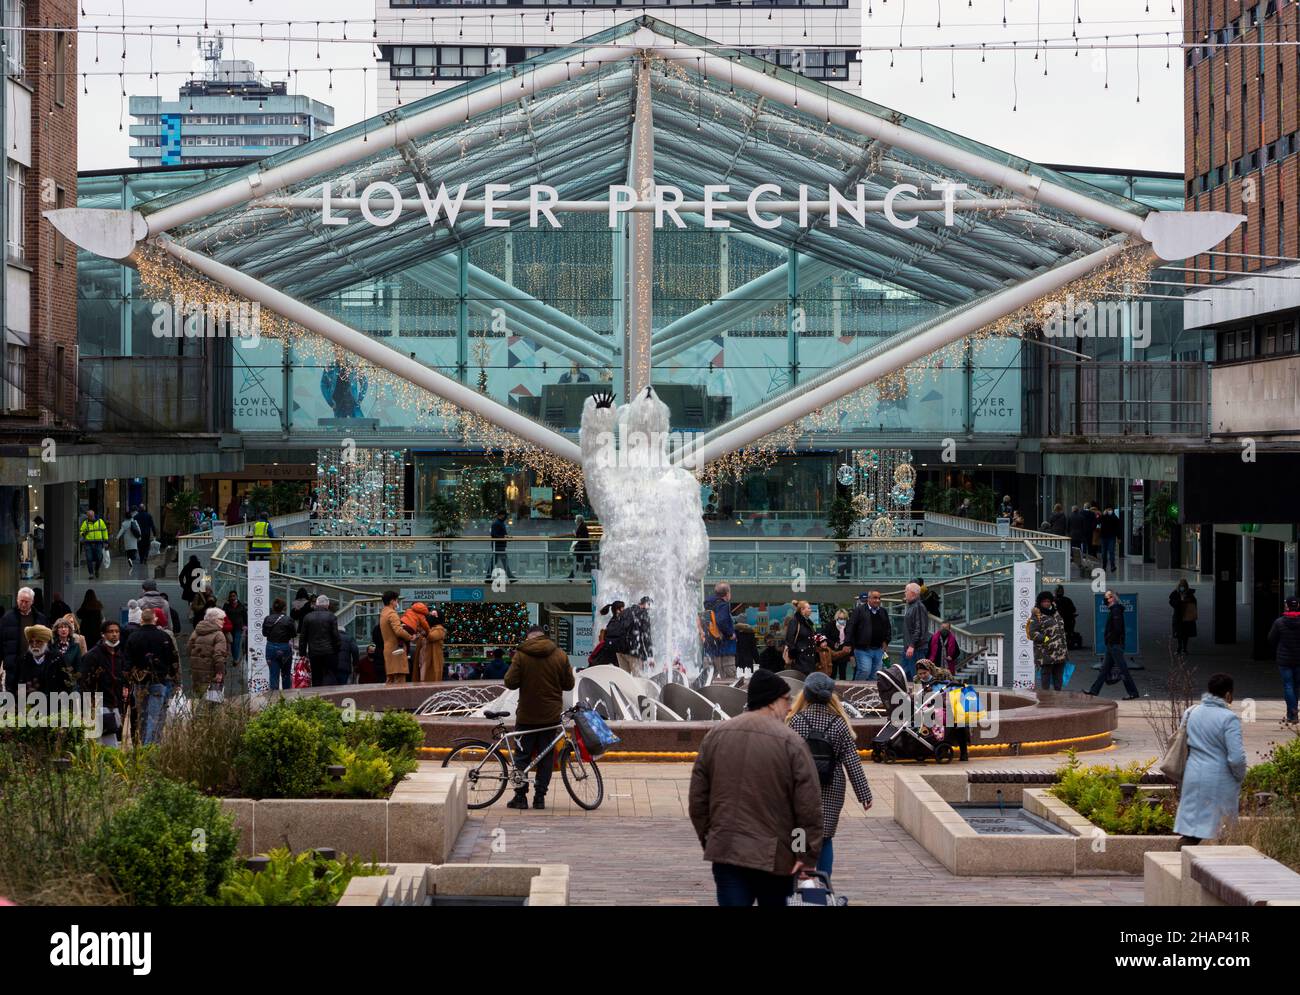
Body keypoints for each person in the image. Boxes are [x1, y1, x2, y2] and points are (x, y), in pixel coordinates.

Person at [688, 669, 823, 906]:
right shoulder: (791, 742)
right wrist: (804, 854)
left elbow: (697, 800)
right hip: (775, 857)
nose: (790, 707)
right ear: (771, 702)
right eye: (786, 700)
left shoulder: (716, 735)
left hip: (727, 852)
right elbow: (807, 809)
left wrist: (709, 838)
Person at [787, 671, 873, 877]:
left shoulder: (795, 720)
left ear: (805, 694)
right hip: (831, 786)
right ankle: (824, 880)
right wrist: (865, 796)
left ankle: (800, 873)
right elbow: (852, 762)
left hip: (801, 787)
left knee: (799, 831)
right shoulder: (839, 723)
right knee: (825, 838)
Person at [502, 624, 575, 810]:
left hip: (527, 716)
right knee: (546, 757)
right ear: (544, 637)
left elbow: (510, 682)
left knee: (522, 756)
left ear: (529, 638)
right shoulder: (559, 655)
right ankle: (540, 797)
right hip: (550, 717)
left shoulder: (522, 655)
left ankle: (520, 797)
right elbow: (569, 684)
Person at [1173, 673, 1247, 846]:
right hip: (1218, 780)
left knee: (1192, 828)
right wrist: (1240, 776)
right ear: (1228, 695)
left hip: (1192, 775)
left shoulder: (1191, 712)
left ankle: (1179, 861)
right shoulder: (1229, 719)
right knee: (1220, 829)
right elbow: (1236, 758)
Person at [124, 606, 177, 745]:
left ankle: (142, 743)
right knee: (154, 716)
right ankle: (150, 746)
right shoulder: (164, 636)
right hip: (158, 680)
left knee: (142, 715)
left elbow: (127, 660)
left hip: (139, 681)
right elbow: (172, 658)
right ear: (155, 619)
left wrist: (128, 678)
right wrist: (172, 675)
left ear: (141, 619)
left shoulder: (133, 636)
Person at [80, 620, 128, 747]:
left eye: (117, 631)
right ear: (103, 634)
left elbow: (122, 677)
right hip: (99, 701)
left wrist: (124, 688)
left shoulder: (118, 655)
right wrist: (90, 702)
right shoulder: (93, 655)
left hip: (115, 702)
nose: (114, 634)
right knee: (108, 741)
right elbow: (84, 680)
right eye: (111, 631)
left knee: (104, 739)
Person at [1087, 590, 1140, 699]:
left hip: (1115, 645)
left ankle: (1133, 692)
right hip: (1112, 645)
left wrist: (1110, 639)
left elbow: (1117, 628)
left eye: (1107, 597)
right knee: (1104, 670)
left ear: (1112, 598)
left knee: (1123, 670)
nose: (1105, 599)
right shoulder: (1114, 610)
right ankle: (1094, 691)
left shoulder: (1116, 610)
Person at [1, 587, 45, 694]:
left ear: (32, 602)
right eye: (21, 601)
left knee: (34, 694)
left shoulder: (40, 618)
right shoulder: (7, 618)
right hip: (14, 665)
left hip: (34, 664)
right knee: (13, 696)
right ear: (17, 600)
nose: (24, 604)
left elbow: (46, 642)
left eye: (27, 601)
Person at [1026, 590, 1068, 691]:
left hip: (1060, 653)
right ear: (1040, 602)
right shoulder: (1036, 615)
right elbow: (1032, 633)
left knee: (1058, 681)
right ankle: (1045, 701)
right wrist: (1045, 639)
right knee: (1046, 680)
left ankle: (1057, 700)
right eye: (1044, 601)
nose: (1046, 603)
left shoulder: (1056, 612)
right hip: (1045, 654)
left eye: (1048, 601)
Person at [1268, 597, 1300, 726]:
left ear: (1287, 606)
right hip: (1299, 659)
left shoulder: (1279, 622)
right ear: (1298, 606)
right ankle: (1293, 713)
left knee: (1288, 685)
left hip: (1284, 659)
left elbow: (1271, 638)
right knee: (1296, 686)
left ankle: (1292, 714)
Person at [16, 624, 75, 694]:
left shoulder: (57, 659)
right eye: (31, 642)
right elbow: (17, 685)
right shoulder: (23, 660)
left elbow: (67, 685)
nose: (34, 645)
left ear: (46, 642)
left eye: (38, 642)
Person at [298, 595, 342, 687]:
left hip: (314, 652)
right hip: (329, 652)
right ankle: (329, 697)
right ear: (327, 605)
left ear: (316, 604)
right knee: (329, 675)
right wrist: (337, 649)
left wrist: (302, 653)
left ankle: (317, 696)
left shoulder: (308, 617)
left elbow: (303, 637)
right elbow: (335, 635)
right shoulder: (331, 616)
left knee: (316, 676)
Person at [847, 590, 891, 680]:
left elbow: (888, 628)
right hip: (863, 649)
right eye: (875, 598)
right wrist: (847, 643)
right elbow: (850, 627)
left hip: (879, 649)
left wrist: (886, 641)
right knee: (864, 671)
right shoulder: (859, 610)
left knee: (875, 675)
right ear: (869, 599)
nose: (877, 600)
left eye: (879, 598)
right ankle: (856, 691)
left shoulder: (883, 611)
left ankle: (870, 693)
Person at [187, 607, 230, 698]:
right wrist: (219, 673)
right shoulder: (219, 634)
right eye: (221, 619)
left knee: (199, 701)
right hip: (212, 676)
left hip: (197, 675)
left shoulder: (196, 632)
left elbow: (188, 650)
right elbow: (219, 656)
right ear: (214, 620)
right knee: (214, 705)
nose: (224, 621)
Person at [702, 582, 738, 680]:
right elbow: (721, 621)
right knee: (728, 681)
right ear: (727, 593)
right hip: (724, 651)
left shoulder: (708, 606)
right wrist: (730, 634)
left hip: (710, 648)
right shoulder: (723, 605)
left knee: (709, 680)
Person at [261, 597, 297, 691]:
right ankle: (287, 698)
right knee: (286, 674)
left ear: (273, 607)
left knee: (273, 675)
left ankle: (274, 700)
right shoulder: (288, 620)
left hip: (271, 647)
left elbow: (264, 633)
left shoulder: (267, 619)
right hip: (284, 648)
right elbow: (293, 634)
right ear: (284, 608)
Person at [380, 590, 413, 686]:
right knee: (400, 679)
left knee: (390, 678)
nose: (397, 603)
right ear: (392, 601)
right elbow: (398, 631)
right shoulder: (392, 614)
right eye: (396, 601)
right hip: (397, 650)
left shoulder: (383, 614)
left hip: (388, 649)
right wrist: (409, 636)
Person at [902, 582, 930, 680]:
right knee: (906, 676)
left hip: (915, 649)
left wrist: (912, 645)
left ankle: (919, 695)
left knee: (917, 676)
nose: (904, 593)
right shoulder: (911, 606)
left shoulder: (918, 606)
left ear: (913, 593)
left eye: (906, 591)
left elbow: (920, 629)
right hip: (910, 648)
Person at [783, 600, 818, 676]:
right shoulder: (794, 622)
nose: (810, 610)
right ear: (802, 610)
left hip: (810, 661)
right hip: (800, 661)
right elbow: (789, 640)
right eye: (808, 608)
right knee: (801, 683)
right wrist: (794, 655)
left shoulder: (808, 623)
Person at [822, 609, 853, 681]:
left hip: (844, 651)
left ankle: (843, 689)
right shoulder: (830, 625)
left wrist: (851, 653)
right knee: (833, 672)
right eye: (841, 619)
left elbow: (851, 638)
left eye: (845, 619)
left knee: (843, 672)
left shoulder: (849, 626)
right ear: (837, 618)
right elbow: (824, 636)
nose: (843, 620)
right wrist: (833, 644)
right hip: (832, 651)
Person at [485, 510, 517, 582]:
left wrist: (506, 537)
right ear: (500, 515)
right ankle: (510, 577)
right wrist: (504, 537)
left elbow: (498, 534)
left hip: (499, 545)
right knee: (503, 561)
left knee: (494, 562)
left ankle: (488, 577)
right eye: (504, 515)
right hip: (499, 545)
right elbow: (494, 535)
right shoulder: (497, 523)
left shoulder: (499, 523)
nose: (505, 517)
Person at [1169, 579, 1198, 656]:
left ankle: (1184, 648)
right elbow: (1172, 603)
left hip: (1186, 616)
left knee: (1185, 633)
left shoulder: (1189, 594)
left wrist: (1186, 600)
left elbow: (1194, 603)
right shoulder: (1175, 593)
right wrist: (1180, 601)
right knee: (1179, 633)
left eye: (1184, 586)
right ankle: (1180, 648)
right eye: (1181, 586)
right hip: (1178, 616)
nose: (1182, 588)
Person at [79, 509, 109, 580]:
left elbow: (104, 531)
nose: (90, 517)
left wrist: (106, 541)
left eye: (91, 516)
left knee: (99, 557)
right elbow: (81, 531)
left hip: (98, 543)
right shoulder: (85, 523)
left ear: (94, 515)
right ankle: (91, 574)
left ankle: (97, 569)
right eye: (89, 516)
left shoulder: (100, 522)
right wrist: (83, 533)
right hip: (88, 543)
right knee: (89, 558)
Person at [50, 617, 83, 681]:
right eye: (60, 627)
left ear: (69, 629)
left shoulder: (75, 646)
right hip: (54, 681)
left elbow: (78, 666)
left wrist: (74, 677)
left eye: (66, 627)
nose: (63, 629)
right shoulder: (51, 646)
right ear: (56, 630)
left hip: (69, 681)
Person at [223, 590, 248, 666]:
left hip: (238, 627)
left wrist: (245, 625)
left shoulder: (241, 605)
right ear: (229, 597)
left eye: (234, 596)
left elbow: (245, 616)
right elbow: (223, 614)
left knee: (236, 643)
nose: (232, 597)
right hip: (229, 628)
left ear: (236, 596)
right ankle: (232, 657)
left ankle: (235, 659)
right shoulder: (227, 605)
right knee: (230, 643)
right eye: (231, 596)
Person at [116, 509, 142, 579]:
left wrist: (117, 537)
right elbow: (138, 529)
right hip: (133, 539)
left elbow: (121, 531)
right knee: (134, 551)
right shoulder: (134, 522)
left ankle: (130, 560)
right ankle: (132, 560)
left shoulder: (124, 523)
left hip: (127, 540)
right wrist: (139, 536)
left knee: (128, 552)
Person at [1067, 504, 1092, 575]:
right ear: (1077, 510)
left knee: (1072, 546)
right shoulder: (1081, 517)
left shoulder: (1070, 516)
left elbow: (1068, 526)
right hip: (1079, 535)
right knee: (1078, 547)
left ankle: (1072, 557)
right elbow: (1084, 527)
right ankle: (1078, 559)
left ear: (1072, 509)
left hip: (1072, 534)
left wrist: (1069, 533)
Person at [134, 504, 158, 573]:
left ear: (139, 509)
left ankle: (141, 558)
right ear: (144, 508)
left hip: (139, 534)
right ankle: (145, 557)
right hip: (147, 534)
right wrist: (154, 534)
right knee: (146, 546)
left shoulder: (136, 516)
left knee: (140, 546)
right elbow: (152, 525)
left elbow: (134, 526)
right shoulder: (148, 515)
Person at [1099, 507, 1122, 572]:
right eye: (1108, 509)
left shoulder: (1114, 517)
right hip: (1104, 537)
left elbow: (1118, 528)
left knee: (1111, 551)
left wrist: (1119, 537)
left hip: (1111, 537)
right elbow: (1098, 521)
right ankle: (1104, 566)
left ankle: (1112, 566)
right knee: (1104, 553)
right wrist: (1103, 514)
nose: (1109, 511)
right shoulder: (1103, 517)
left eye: (1110, 510)